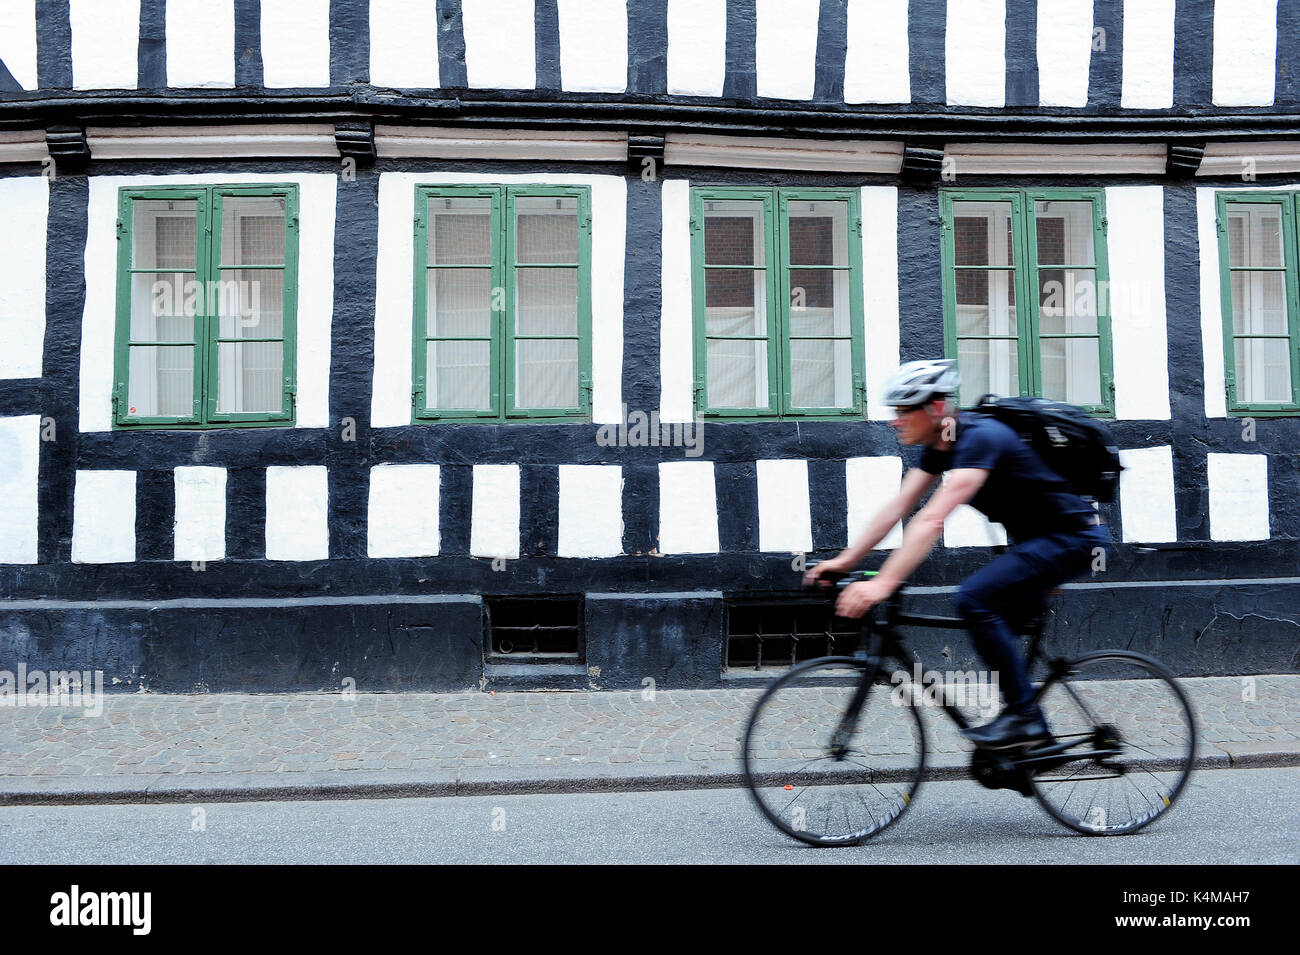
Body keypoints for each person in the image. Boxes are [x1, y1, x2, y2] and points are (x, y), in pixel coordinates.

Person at [805, 358, 1112, 748]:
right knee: (992, 621)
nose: (894, 420)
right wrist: (846, 561)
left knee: (973, 599)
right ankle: (1018, 745)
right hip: (1039, 543)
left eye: (903, 410)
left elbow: (933, 518)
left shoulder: (980, 437)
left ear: (934, 409)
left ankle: (1028, 722)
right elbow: (900, 506)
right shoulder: (942, 445)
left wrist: (882, 583)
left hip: (1072, 540)